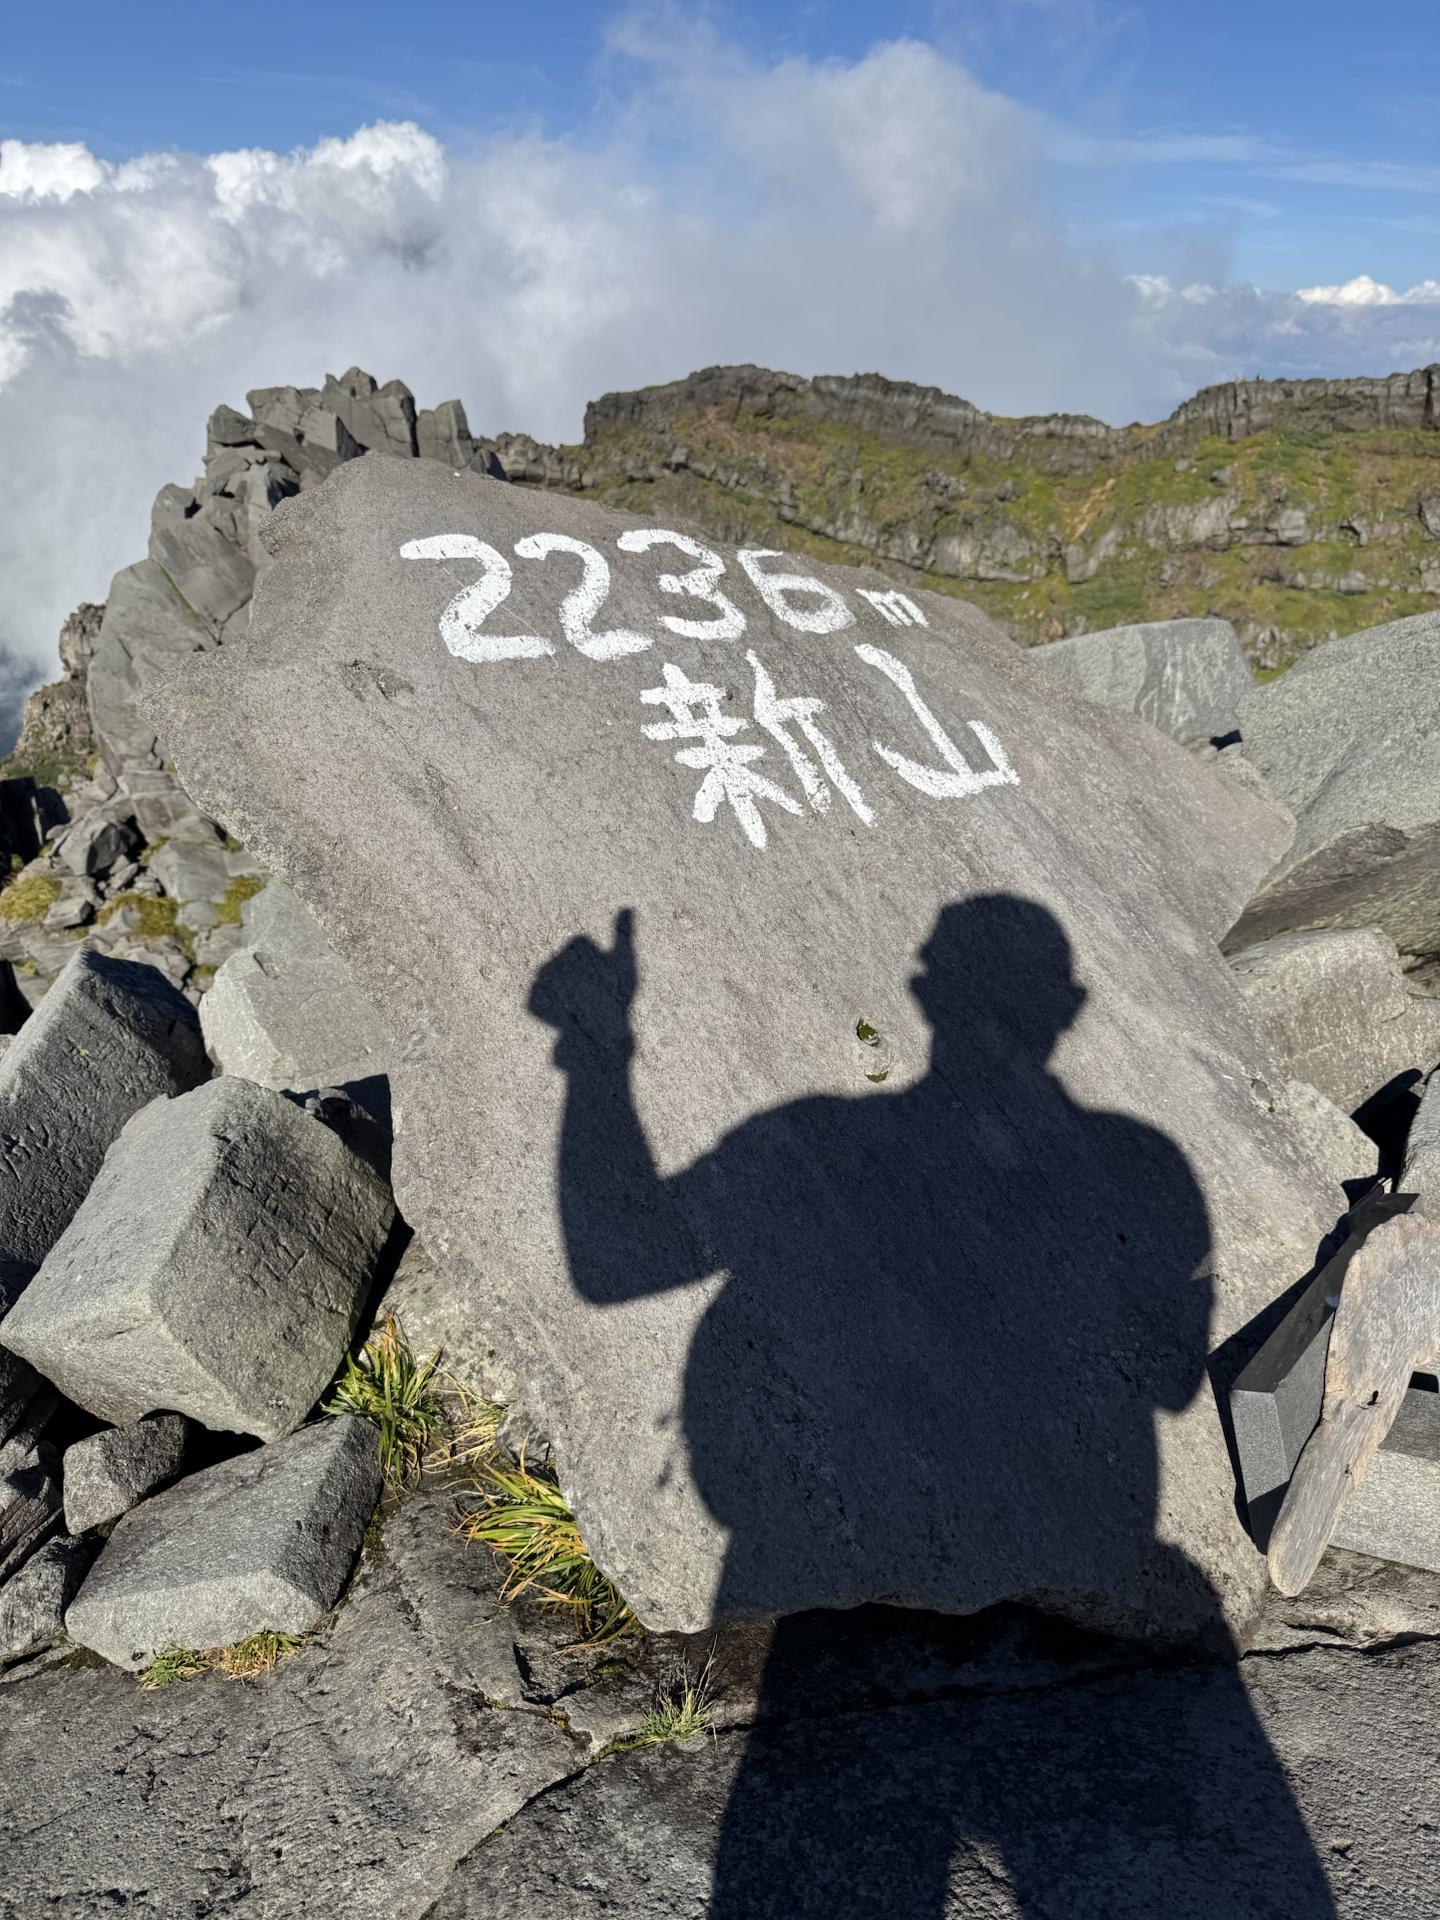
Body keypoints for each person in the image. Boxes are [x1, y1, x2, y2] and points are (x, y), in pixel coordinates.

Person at [529, 896, 1337, 1915]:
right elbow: (1175, 1381)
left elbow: (614, 1263)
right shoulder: (1147, 1164)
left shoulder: (807, 1143)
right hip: (1097, 1554)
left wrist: (591, 1054)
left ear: (919, 995)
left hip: (814, 1585)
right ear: (1072, 1005)